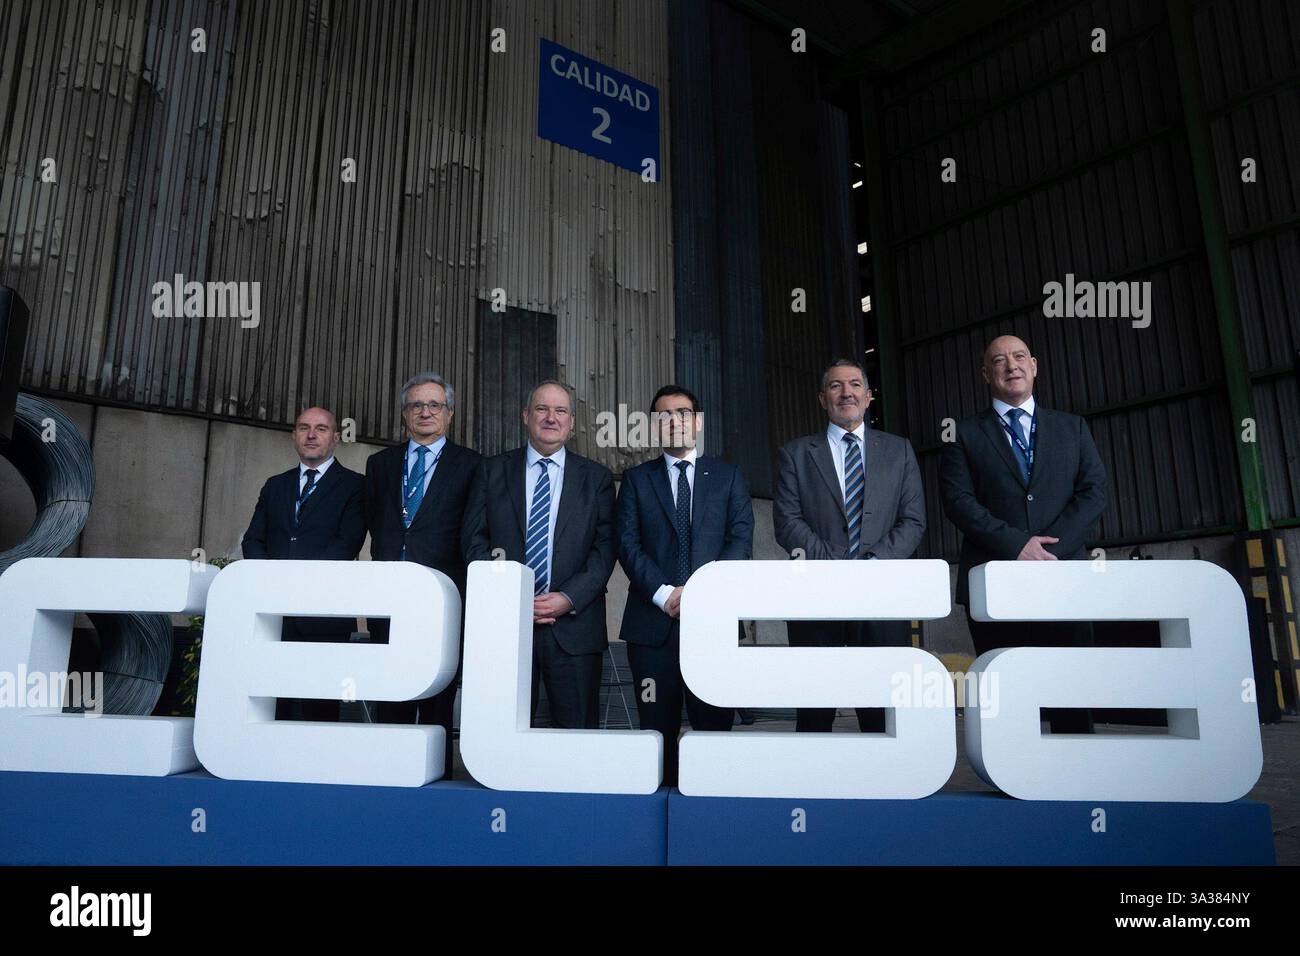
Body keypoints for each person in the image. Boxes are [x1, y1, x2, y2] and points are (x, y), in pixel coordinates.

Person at [938, 334, 1108, 734]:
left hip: (1063, 577)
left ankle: (1076, 781)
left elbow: (1094, 492)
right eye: (998, 360)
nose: (1010, 365)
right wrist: (1017, 545)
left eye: (1018, 357)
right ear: (986, 374)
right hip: (995, 582)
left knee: (1071, 691)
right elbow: (958, 502)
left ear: (1034, 366)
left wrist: (1049, 549)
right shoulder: (962, 434)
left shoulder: (1073, 427)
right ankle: (1011, 779)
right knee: (1007, 696)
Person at [773, 359, 925, 733]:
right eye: (836, 386)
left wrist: (871, 563)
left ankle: (881, 787)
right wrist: (839, 563)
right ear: (823, 399)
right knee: (814, 709)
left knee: (880, 710)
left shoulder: (899, 450)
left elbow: (913, 520)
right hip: (816, 599)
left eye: (855, 384)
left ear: (869, 396)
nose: (847, 393)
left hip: (881, 599)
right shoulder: (795, 454)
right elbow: (787, 524)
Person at [616, 384, 753, 786]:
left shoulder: (728, 477)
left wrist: (701, 596)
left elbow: (740, 540)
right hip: (651, 626)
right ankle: (660, 814)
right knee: (656, 735)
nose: (674, 421)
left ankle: (710, 815)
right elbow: (627, 543)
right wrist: (664, 594)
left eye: (682, 413)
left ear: (698, 421)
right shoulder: (637, 479)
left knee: (714, 733)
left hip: (713, 627)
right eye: (664, 415)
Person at [462, 380, 616, 729]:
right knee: (500, 733)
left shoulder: (597, 479)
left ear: (572, 422)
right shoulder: (491, 470)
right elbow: (473, 541)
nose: (551, 418)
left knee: (576, 742)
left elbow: (605, 549)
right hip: (505, 625)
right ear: (525, 416)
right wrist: (512, 598)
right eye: (542, 409)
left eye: (560, 411)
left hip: (574, 628)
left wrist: (568, 597)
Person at [363, 373, 481, 767]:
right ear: (404, 414)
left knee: (436, 704)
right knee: (390, 698)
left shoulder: (472, 466)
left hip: (442, 602)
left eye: (434, 405)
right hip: (387, 603)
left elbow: (474, 535)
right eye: (416, 405)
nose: (425, 412)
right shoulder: (379, 464)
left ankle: (434, 785)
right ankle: (388, 778)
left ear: (449, 414)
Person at [242, 406, 365, 721]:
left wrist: (299, 585)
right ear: (294, 435)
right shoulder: (275, 486)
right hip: (275, 614)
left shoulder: (356, 486)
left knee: (318, 706)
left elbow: (347, 544)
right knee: (272, 702)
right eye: (304, 427)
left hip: (324, 613)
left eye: (321, 429)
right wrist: (274, 584)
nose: (311, 435)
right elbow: (252, 540)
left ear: (336, 438)